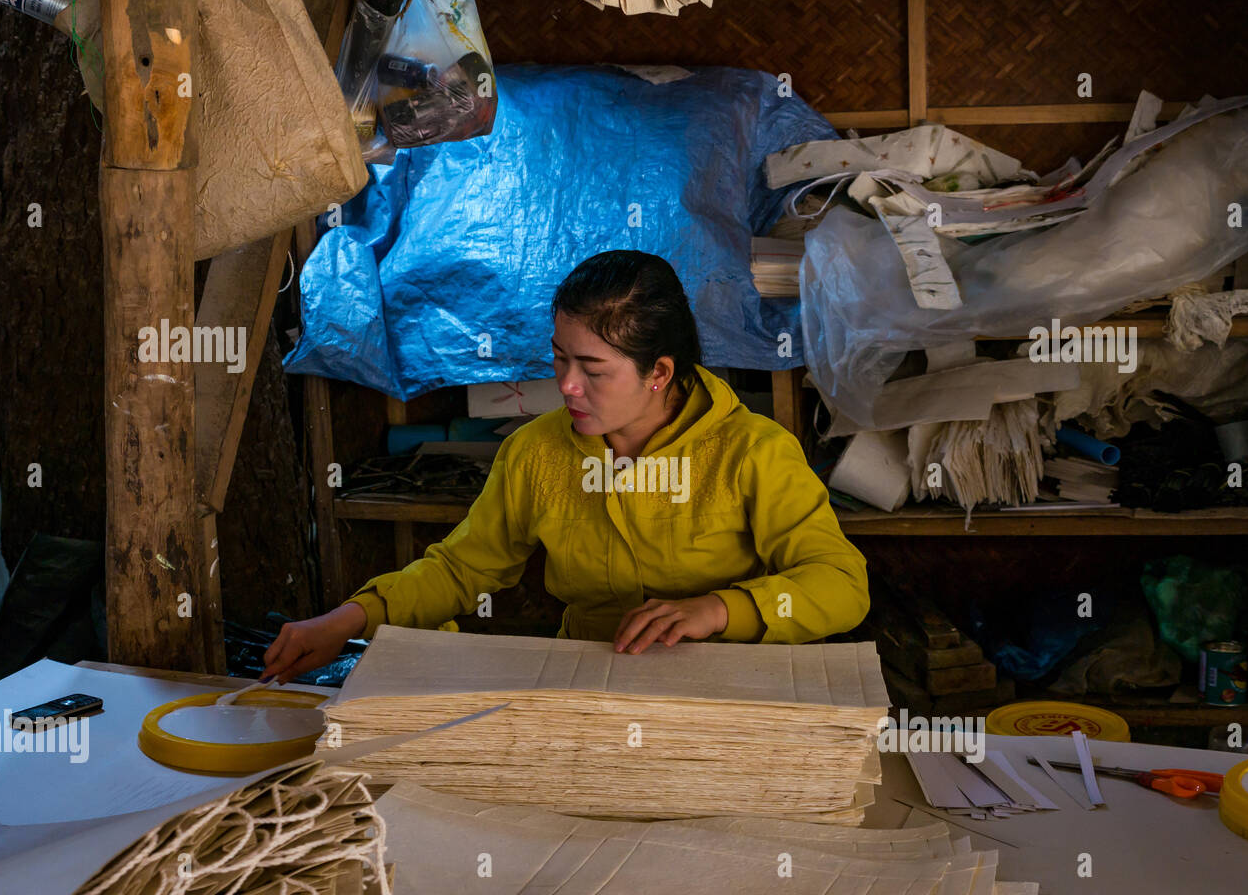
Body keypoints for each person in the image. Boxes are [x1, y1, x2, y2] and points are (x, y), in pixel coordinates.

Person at [263, 250, 870, 683]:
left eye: (593, 369)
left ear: (659, 372)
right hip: (586, 681)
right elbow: (460, 570)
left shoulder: (753, 452)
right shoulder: (535, 453)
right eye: (559, 359)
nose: (568, 386)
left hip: (729, 685)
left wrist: (719, 610)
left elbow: (841, 585)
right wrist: (348, 619)